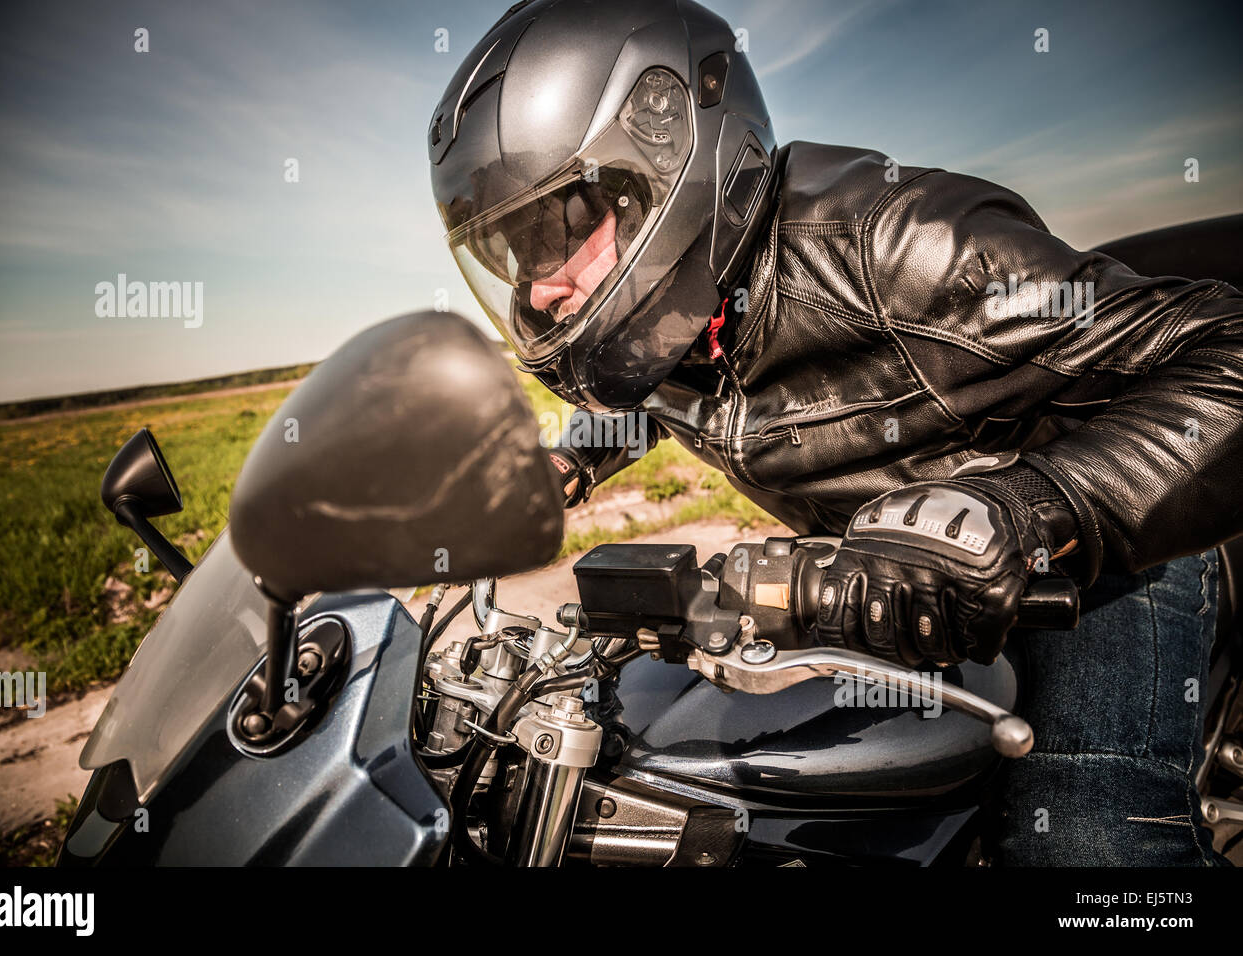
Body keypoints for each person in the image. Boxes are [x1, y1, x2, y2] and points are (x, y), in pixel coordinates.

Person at [428, 0, 1242, 865]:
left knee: (1081, 840)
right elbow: (657, 395)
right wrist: (562, 461)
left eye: (554, 232)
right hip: (885, 584)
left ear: (662, 157)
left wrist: (1026, 509)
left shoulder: (898, 246)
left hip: (1096, 556)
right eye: (513, 253)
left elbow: (1224, 348)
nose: (538, 290)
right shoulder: (674, 320)